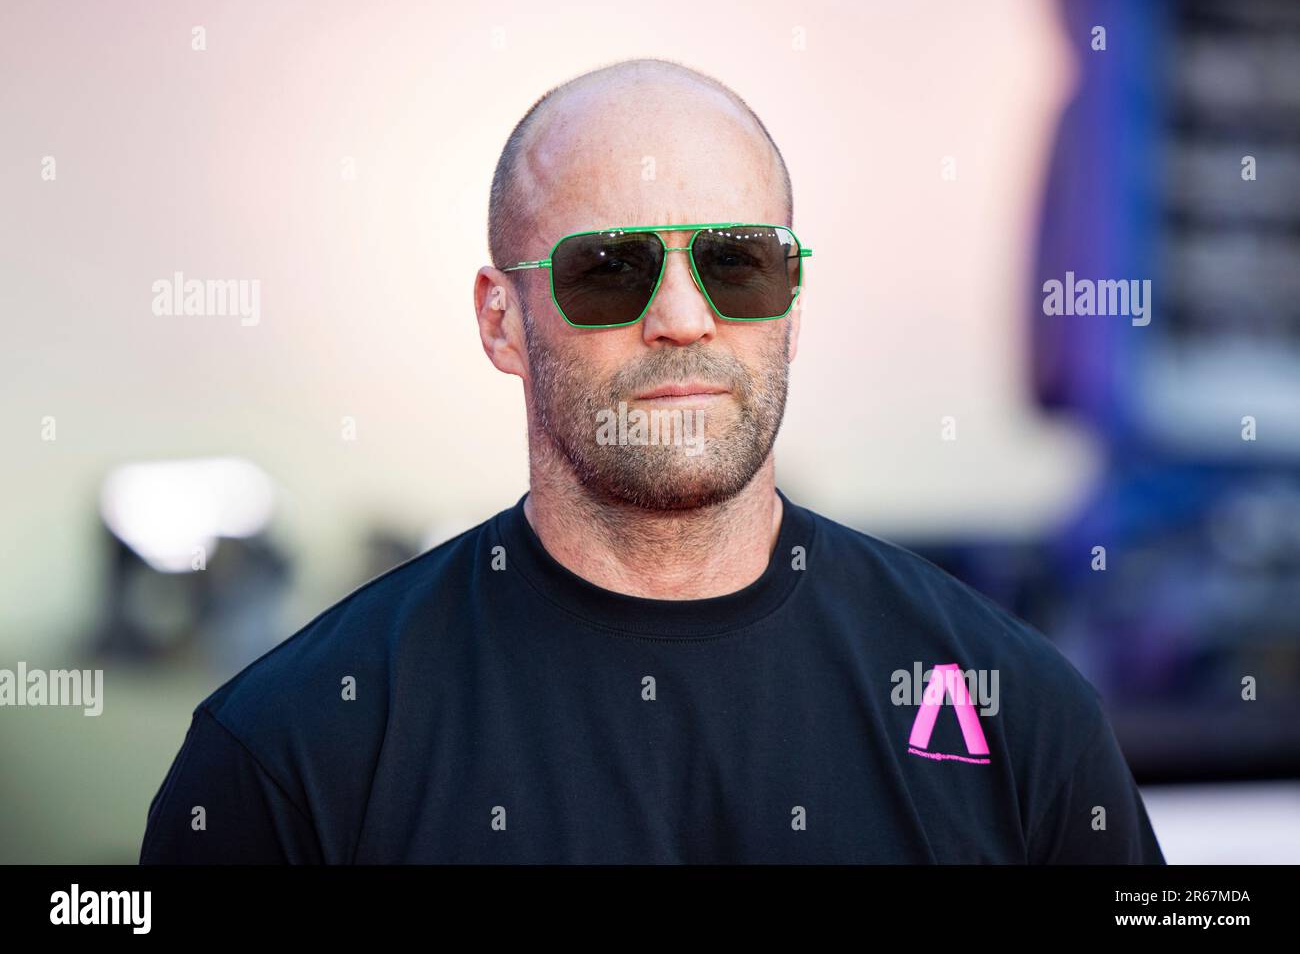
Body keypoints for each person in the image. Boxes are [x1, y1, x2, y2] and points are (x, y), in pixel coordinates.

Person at [139, 57, 1164, 864]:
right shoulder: (292, 748)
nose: (681, 316)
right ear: (502, 319)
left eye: (736, 262)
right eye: (608, 268)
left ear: (792, 306)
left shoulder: (1017, 710)